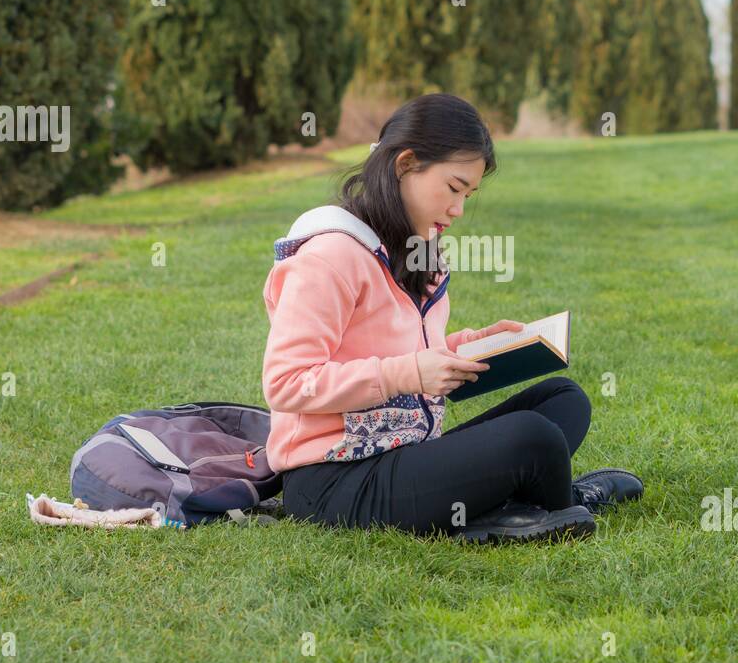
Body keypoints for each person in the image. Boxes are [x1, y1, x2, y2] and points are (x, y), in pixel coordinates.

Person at [261, 92, 642, 543]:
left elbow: (401, 350)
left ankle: (523, 503)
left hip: (407, 451)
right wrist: (411, 373)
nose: (459, 209)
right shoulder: (330, 255)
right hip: (335, 479)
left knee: (563, 399)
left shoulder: (418, 250)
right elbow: (286, 381)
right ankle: (556, 500)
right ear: (405, 165)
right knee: (532, 438)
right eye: (454, 188)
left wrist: (472, 347)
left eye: (468, 194)